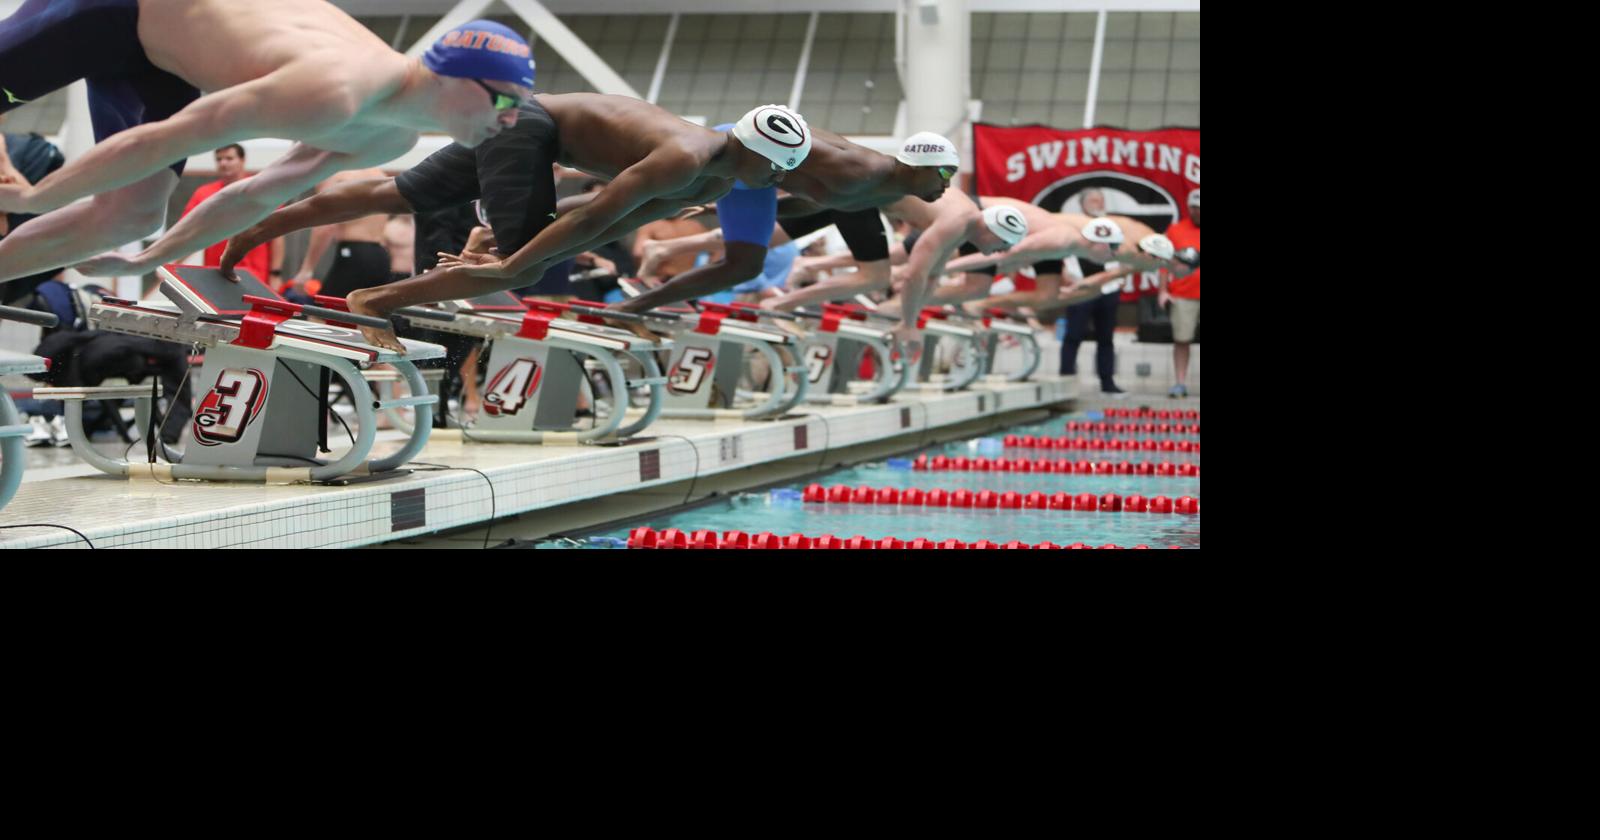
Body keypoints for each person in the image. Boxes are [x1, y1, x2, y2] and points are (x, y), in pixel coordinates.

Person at [1, 5, 533, 284]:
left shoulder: (391, 136)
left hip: (156, 58)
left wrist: (153, 259)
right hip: (112, 7)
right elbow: (165, 140)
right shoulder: (336, 88)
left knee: (133, 218)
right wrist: (33, 199)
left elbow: (253, 197)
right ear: (461, 79)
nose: (509, 124)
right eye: (507, 105)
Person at [340, 102, 811, 350]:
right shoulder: (687, 161)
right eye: (777, 171)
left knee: (524, 269)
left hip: (555, 168)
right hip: (530, 137)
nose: (780, 182)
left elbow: (607, 221)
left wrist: (520, 259)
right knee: (395, 198)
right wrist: (515, 262)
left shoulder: (711, 182)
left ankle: (379, 297)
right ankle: (366, 293)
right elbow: (594, 212)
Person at [176, 144, 282, 286]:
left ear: (242, 160)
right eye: (219, 159)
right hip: (215, 275)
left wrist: (275, 273)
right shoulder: (204, 194)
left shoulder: (262, 190)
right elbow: (188, 233)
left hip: (255, 275)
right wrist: (174, 266)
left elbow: (277, 235)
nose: (223, 163)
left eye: (229, 158)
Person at [293, 168, 392, 298]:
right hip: (380, 257)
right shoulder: (381, 175)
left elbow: (325, 227)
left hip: (353, 255)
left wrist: (307, 269)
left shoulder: (337, 177)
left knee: (321, 314)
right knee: (363, 314)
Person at [1160, 188, 1200, 397]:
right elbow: (1164, 262)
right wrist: (1162, 291)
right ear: (1188, 208)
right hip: (1183, 294)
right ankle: (1180, 382)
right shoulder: (1176, 230)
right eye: (1194, 208)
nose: (1198, 212)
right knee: (1182, 339)